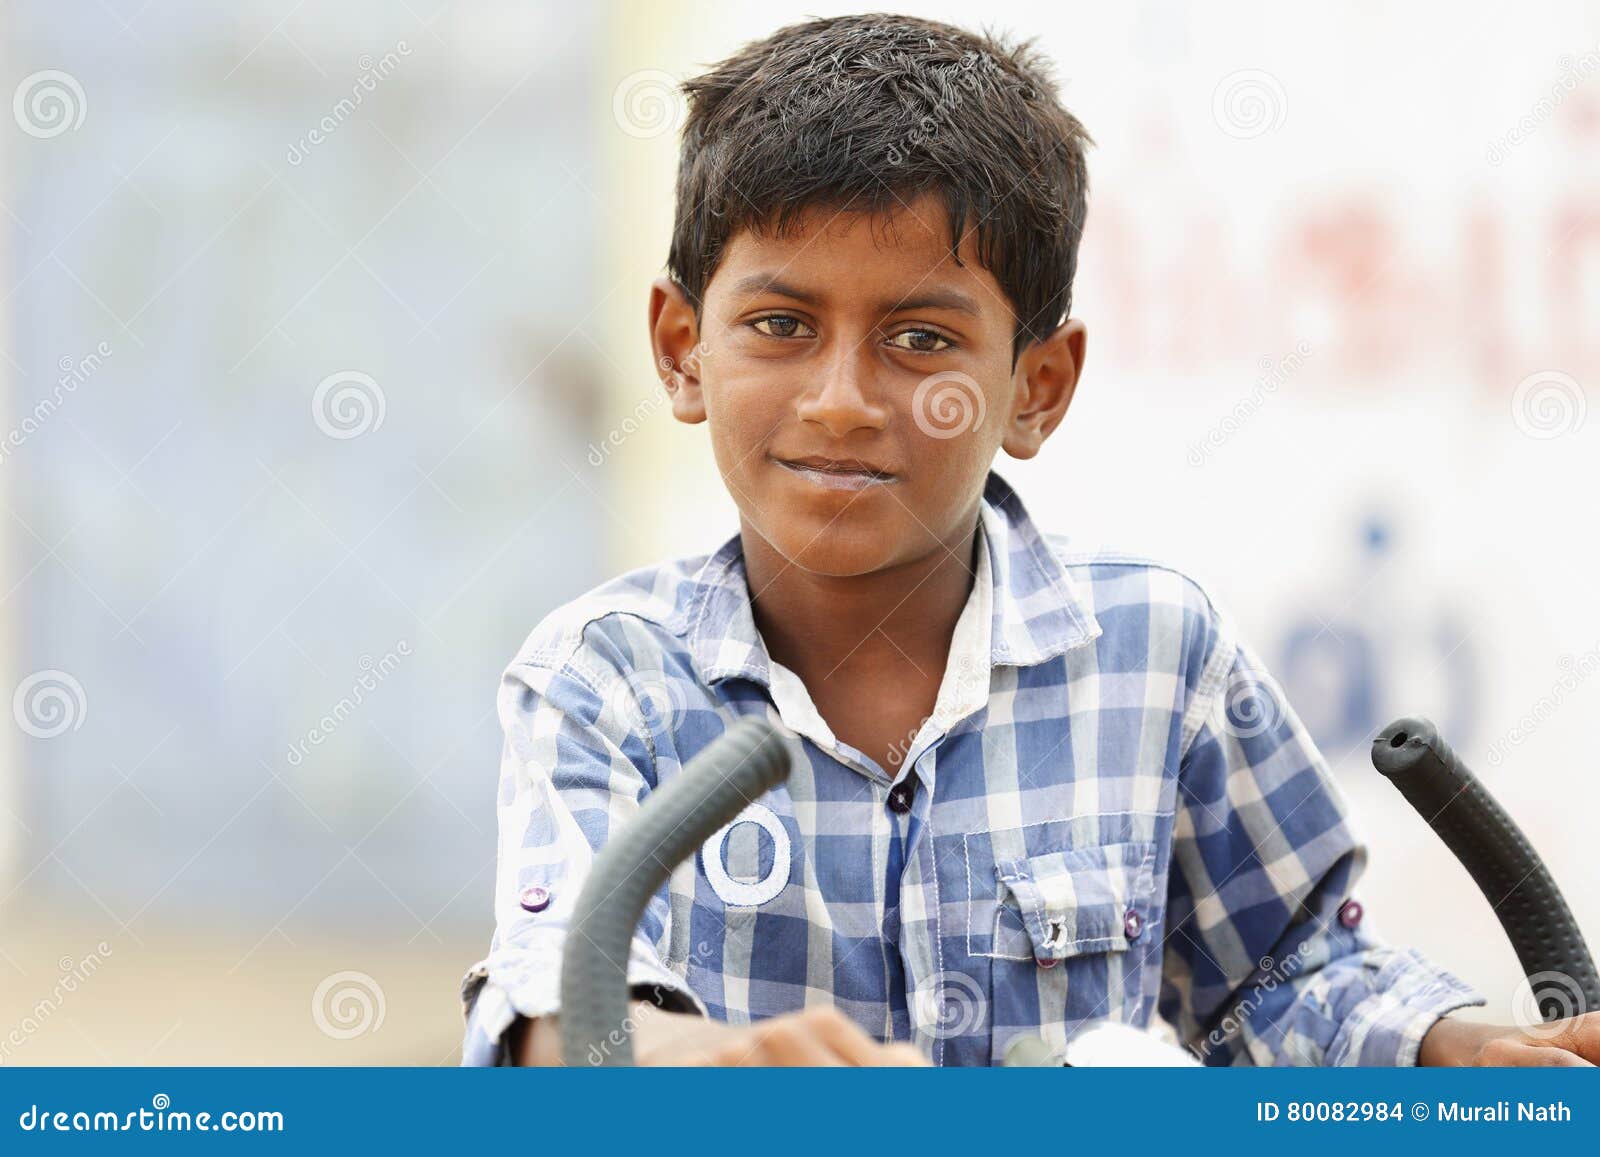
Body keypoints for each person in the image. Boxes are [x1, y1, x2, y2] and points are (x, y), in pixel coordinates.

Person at [460, 13, 1598, 1067]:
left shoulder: (1159, 654)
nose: (843, 398)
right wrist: (691, 1061)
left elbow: (1291, 975)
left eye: (918, 337)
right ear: (679, 348)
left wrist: (1447, 1047)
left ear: (1036, 389)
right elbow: (557, 1003)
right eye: (780, 324)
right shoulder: (604, 679)